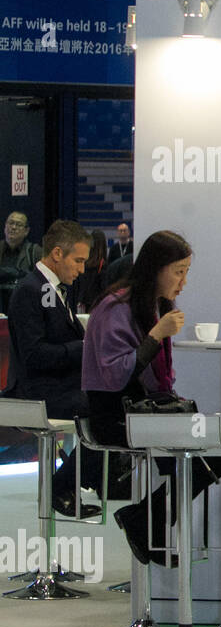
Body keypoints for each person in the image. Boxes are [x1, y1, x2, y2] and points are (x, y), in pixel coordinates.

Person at [82, 230, 221, 564]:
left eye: (186, 272)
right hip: (117, 416)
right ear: (155, 269)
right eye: (178, 271)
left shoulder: (153, 305)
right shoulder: (114, 307)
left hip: (149, 414)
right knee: (217, 447)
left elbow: (161, 378)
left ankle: (146, 518)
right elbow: (115, 375)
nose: (183, 281)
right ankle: (148, 521)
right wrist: (155, 336)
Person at [4, 219, 103, 518]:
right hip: (36, 393)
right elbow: (34, 356)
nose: (82, 269)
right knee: (107, 411)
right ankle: (64, 485)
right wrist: (84, 348)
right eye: (79, 261)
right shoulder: (29, 291)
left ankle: (70, 484)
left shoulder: (53, 289)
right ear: (57, 254)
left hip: (60, 387)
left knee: (114, 402)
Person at [0, 211, 40, 311]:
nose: (13, 227)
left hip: (25, 309)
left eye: (18, 225)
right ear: (5, 227)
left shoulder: (35, 252)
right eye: (10, 223)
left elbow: (46, 282)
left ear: (26, 231)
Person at [72, 230, 111, 312]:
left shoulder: (84, 263)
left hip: (83, 302)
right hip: (98, 304)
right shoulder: (103, 265)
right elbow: (104, 288)